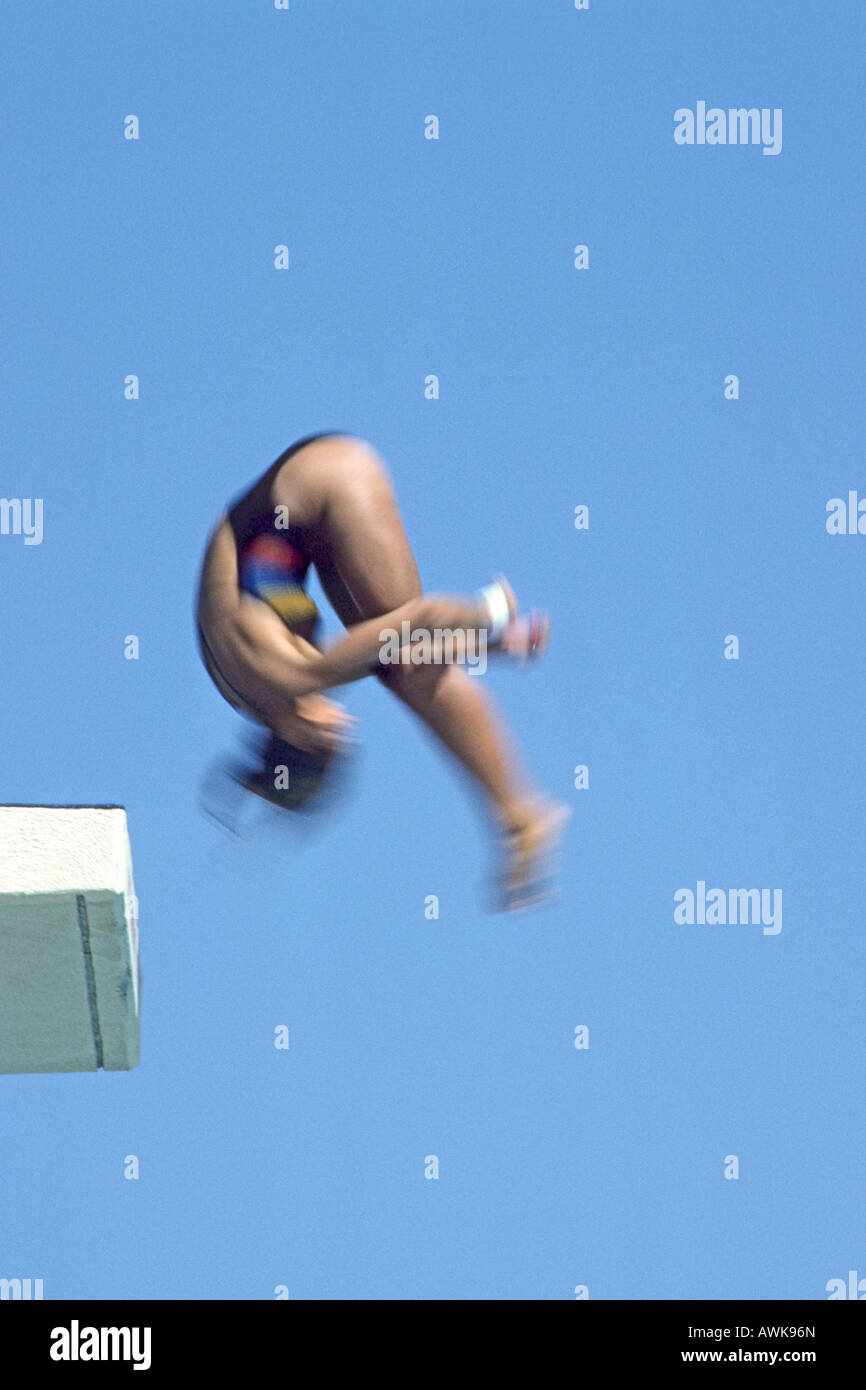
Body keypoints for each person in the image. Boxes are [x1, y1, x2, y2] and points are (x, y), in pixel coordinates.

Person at [195, 432, 568, 908]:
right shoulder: (258, 690)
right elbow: (391, 648)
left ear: (300, 739)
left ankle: (522, 817)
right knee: (400, 664)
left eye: (336, 739)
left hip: (326, 479)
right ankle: (517, 816)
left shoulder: (289, 675)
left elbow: (421, 621)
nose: (347, 722)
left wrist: (489, 612)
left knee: (407, 664)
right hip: (300, 520)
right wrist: (489, 644)